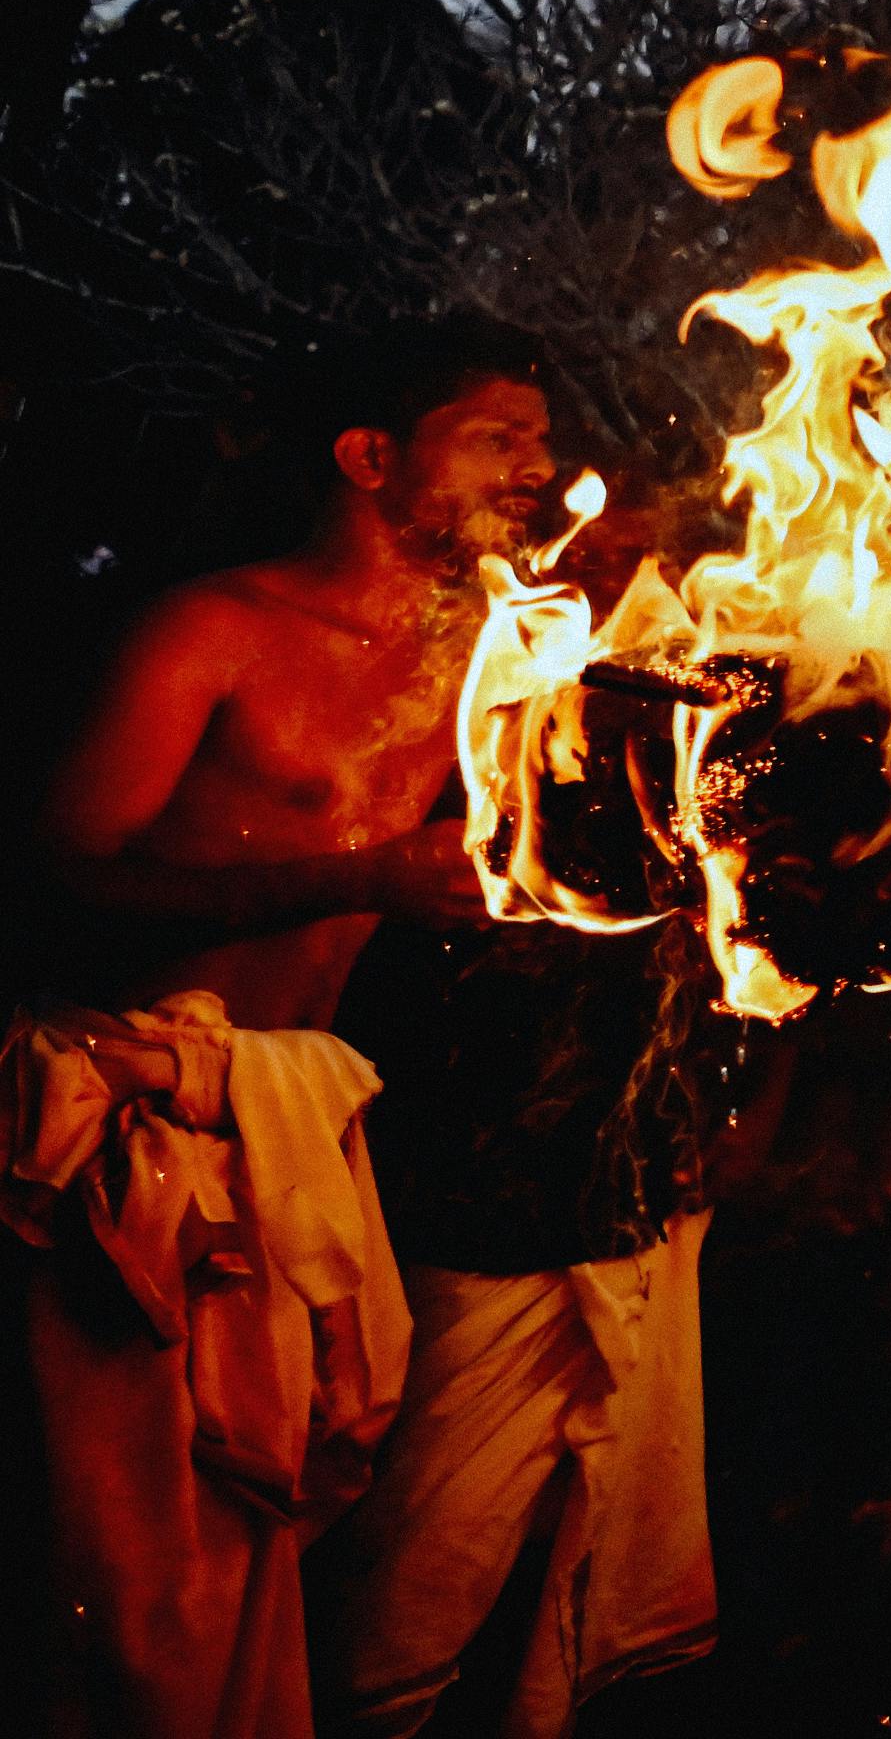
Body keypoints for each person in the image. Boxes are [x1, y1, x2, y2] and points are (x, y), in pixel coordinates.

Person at [4, 322, 555, 1739]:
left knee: (253, 1546)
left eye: (544, 441)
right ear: (372, 458)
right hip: (121, 1135)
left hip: (295, 1141)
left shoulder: (485, 659)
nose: (539, 471)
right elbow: (57, 883)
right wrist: (365, 877)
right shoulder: (218, 628)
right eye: (500, 437)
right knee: (121, 1590)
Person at [312, 916, 730, 1738]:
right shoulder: (470, 817)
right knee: (398, 1592)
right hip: (465, 1235)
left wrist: (717, 1115)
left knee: (566, 1565)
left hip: (626, 1215)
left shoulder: (677, 814)